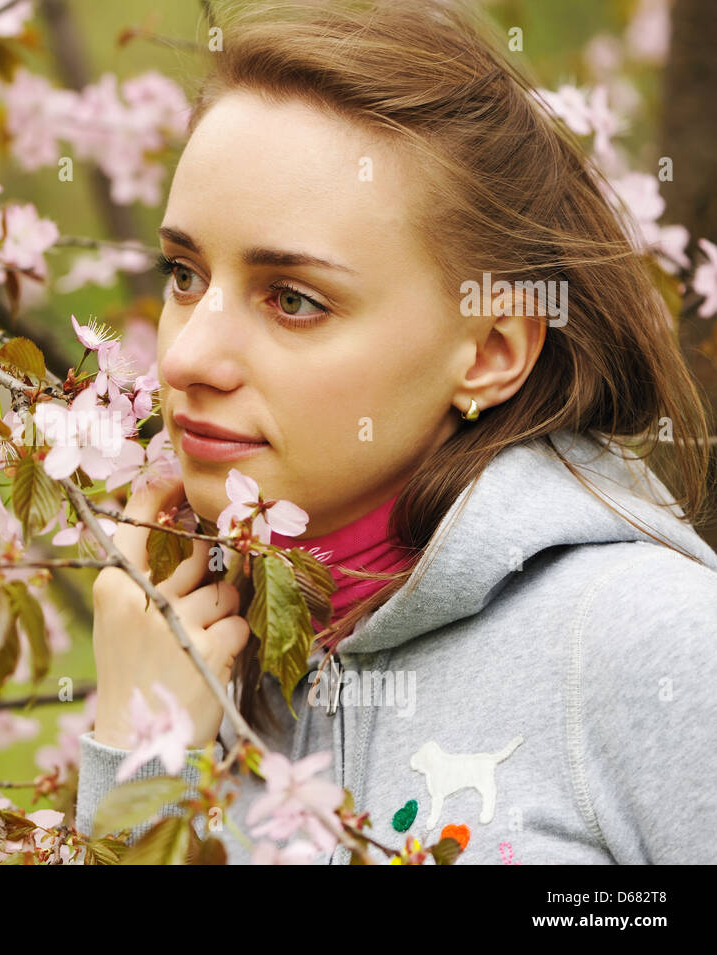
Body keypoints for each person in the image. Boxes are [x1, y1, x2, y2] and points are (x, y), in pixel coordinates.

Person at [76, 0, 717, 864]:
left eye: (293, 300)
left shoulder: (655, 641)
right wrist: (140, 756)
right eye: (185, 274)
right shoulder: (193, 648)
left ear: (490, 351)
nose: (188, 355)